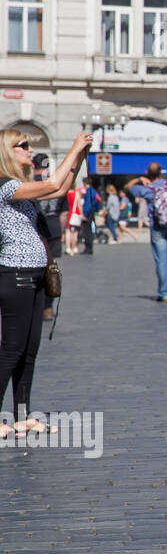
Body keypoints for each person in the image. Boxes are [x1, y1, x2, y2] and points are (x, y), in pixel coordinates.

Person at [0, 129, 93, 440]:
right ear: (6, 152)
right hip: (15, 274)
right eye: (22, 146)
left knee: (30, 349)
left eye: (29, 144)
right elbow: (53, 183)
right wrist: (74, 145)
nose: (29, 149)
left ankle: (23, 417)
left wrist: (78, 159)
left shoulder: (22, 187)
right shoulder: (5, 185)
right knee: (11, 349)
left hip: (37, 275)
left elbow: (60, 189)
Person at [124, 164, 167, 303]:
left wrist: (139, 179)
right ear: (161, 173)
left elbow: (127, 188)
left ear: (148, 173)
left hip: (157, 226)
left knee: (161, 260)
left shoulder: (147, 189)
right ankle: (166, 289)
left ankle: (164, 293)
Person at [30, 154, 66, 321]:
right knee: (51, 269)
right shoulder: (55, 184)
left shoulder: (28, 184)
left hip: (34, 228)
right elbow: (64, 213)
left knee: (33, 269)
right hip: (53, 228)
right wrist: (62, 231)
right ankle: (47, 308)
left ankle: (33, 305)